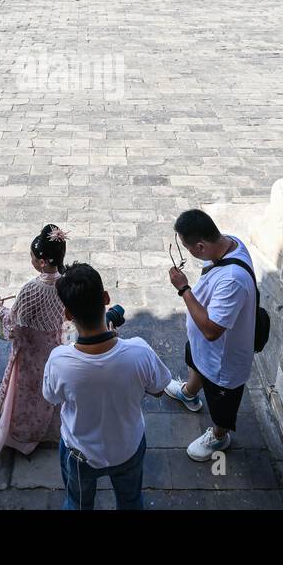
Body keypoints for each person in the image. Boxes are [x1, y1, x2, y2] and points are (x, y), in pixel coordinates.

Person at [42, 263, 172, 510]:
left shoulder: (59, 360)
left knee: (77, 503)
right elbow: (158, 390)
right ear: (106, 298)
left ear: (68, 314)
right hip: (127, 448)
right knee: (131, 501)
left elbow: (51, 397)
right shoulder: (139, 351)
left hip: (80, 454)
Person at [164, 209, 257, 462]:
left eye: (187, 248)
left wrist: (183, 288)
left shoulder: (233, 279)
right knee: (194, 362)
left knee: (221, 406)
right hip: (202, 348)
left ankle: (219, 436)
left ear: (201, 245)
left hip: (222, 360)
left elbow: (212, 331)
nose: (187, 253)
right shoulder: (227, 243)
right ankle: (189, 393)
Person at [0, 225, 70, 456]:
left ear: (43, 261)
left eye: (33, 256)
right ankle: (51, 430)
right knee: (49, 393)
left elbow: (13, 329)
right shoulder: (66, 281)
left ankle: (22, 437)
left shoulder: (32, 289)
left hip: (31, 354)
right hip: (55, 348)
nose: (32, 259)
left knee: (28, 394)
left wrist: (0, 309)